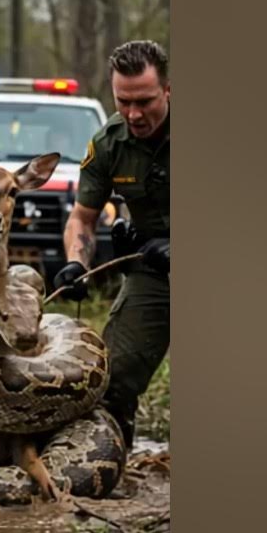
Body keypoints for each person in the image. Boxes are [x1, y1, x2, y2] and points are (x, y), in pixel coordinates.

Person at [52, 40, 171, 449]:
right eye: (124, 101)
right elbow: (83, 217)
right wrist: (76, 263)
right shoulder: (109, 144)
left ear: (168, 91)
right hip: (154, 276)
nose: (135, 114)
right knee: (111, 377)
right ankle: (109, 468)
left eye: (145, 101)